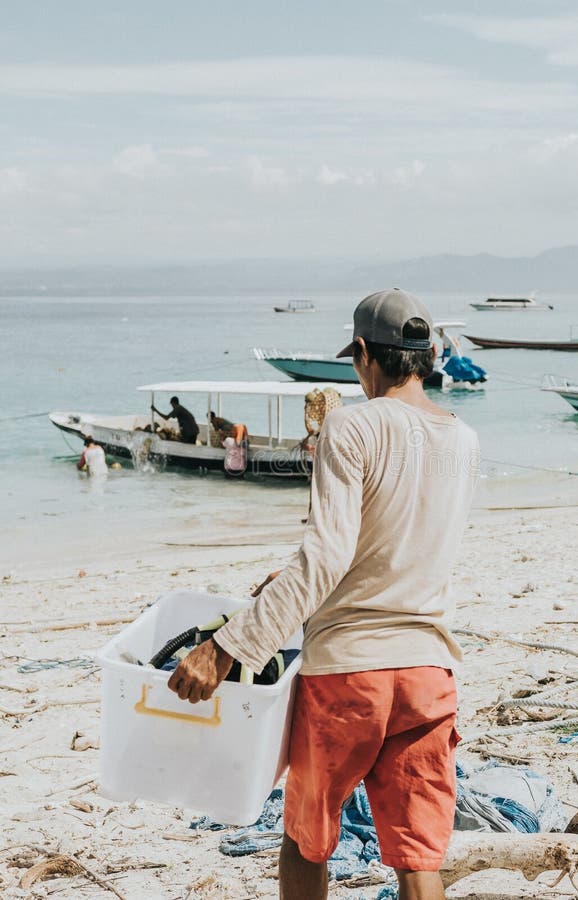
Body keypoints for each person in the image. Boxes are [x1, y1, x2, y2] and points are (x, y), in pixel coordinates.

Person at [168, 288, 480, 900]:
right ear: (427, 354)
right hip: (427, 671)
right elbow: (391, 547)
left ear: (362, 353)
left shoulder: (350, 423)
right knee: (418, 857)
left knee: (308, 840)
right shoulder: (462, 439)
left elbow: (329, 555)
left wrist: (228, 646)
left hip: (348, 676)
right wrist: (283, 587)